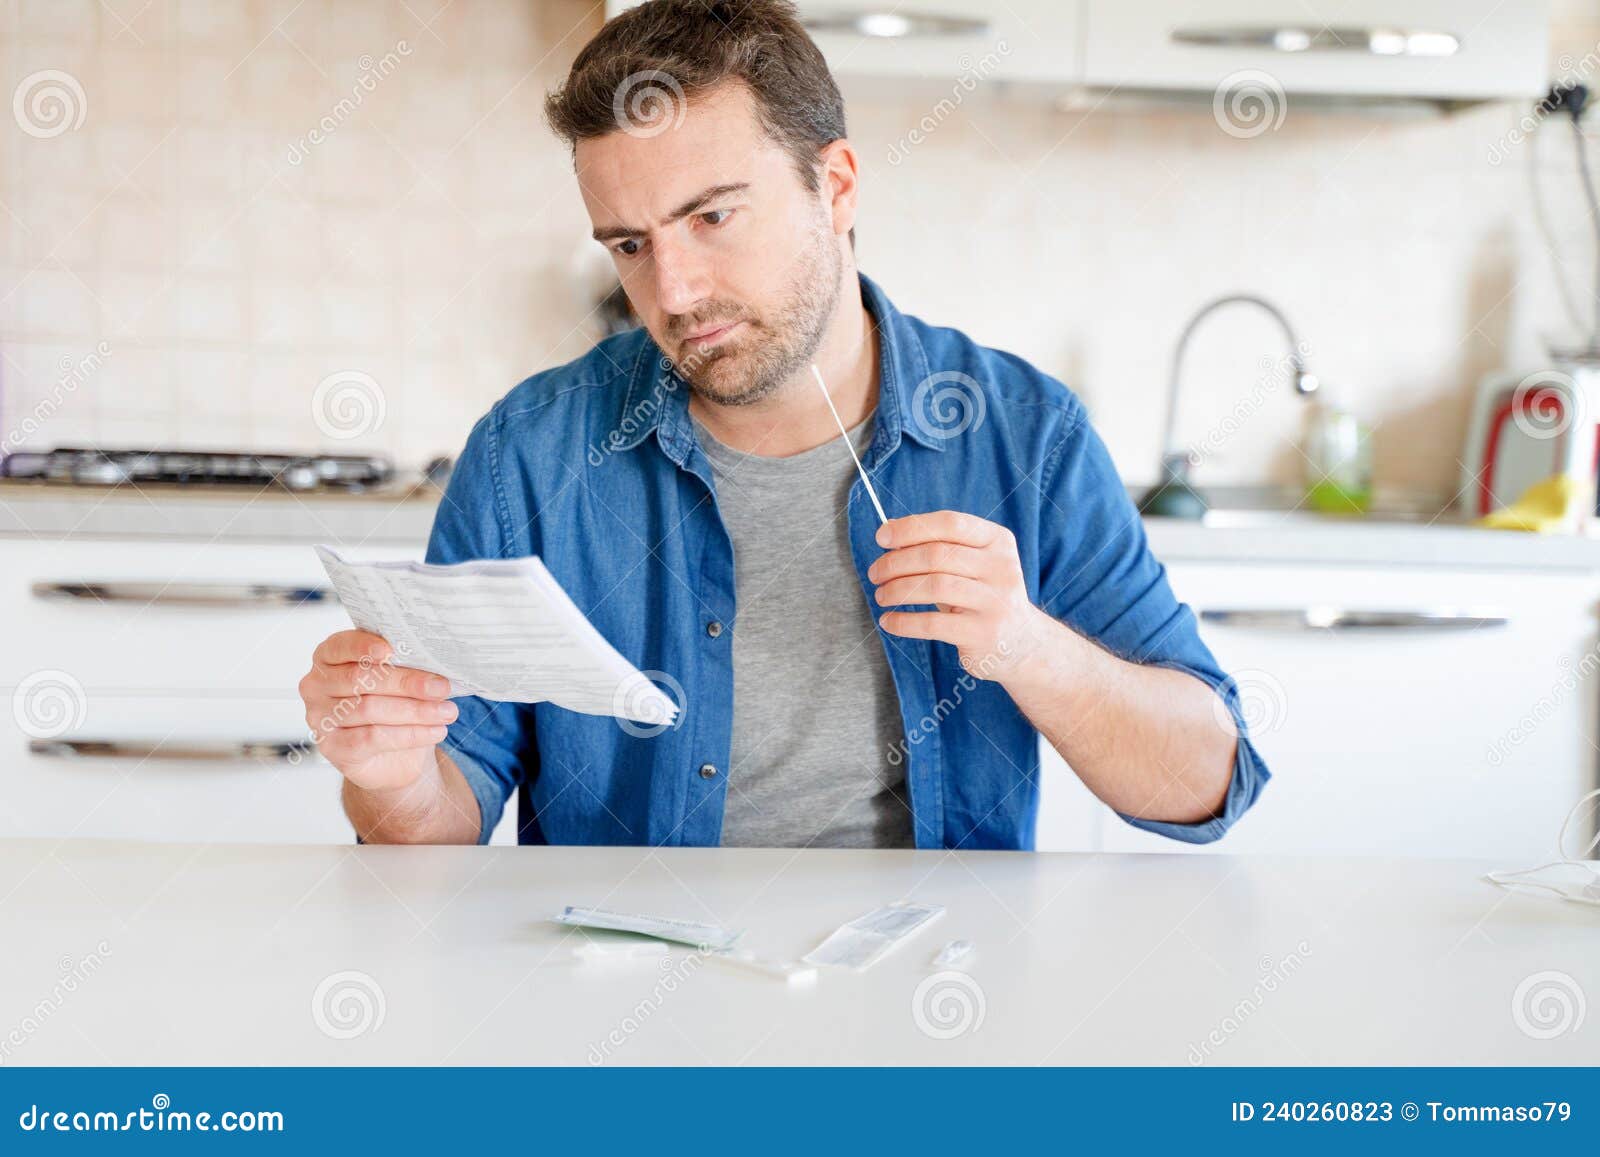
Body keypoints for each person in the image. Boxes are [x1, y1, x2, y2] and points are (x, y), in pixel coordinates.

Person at [296, 0, 1268, 849]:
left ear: (835, 185)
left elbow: (1205, 784)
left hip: (930, 996)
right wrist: (389, 776)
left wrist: (1027, 646)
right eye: (630, 244)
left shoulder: (1022, 433)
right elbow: (437, 817)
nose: (670, 290)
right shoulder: (530, 452)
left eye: (712, 216)